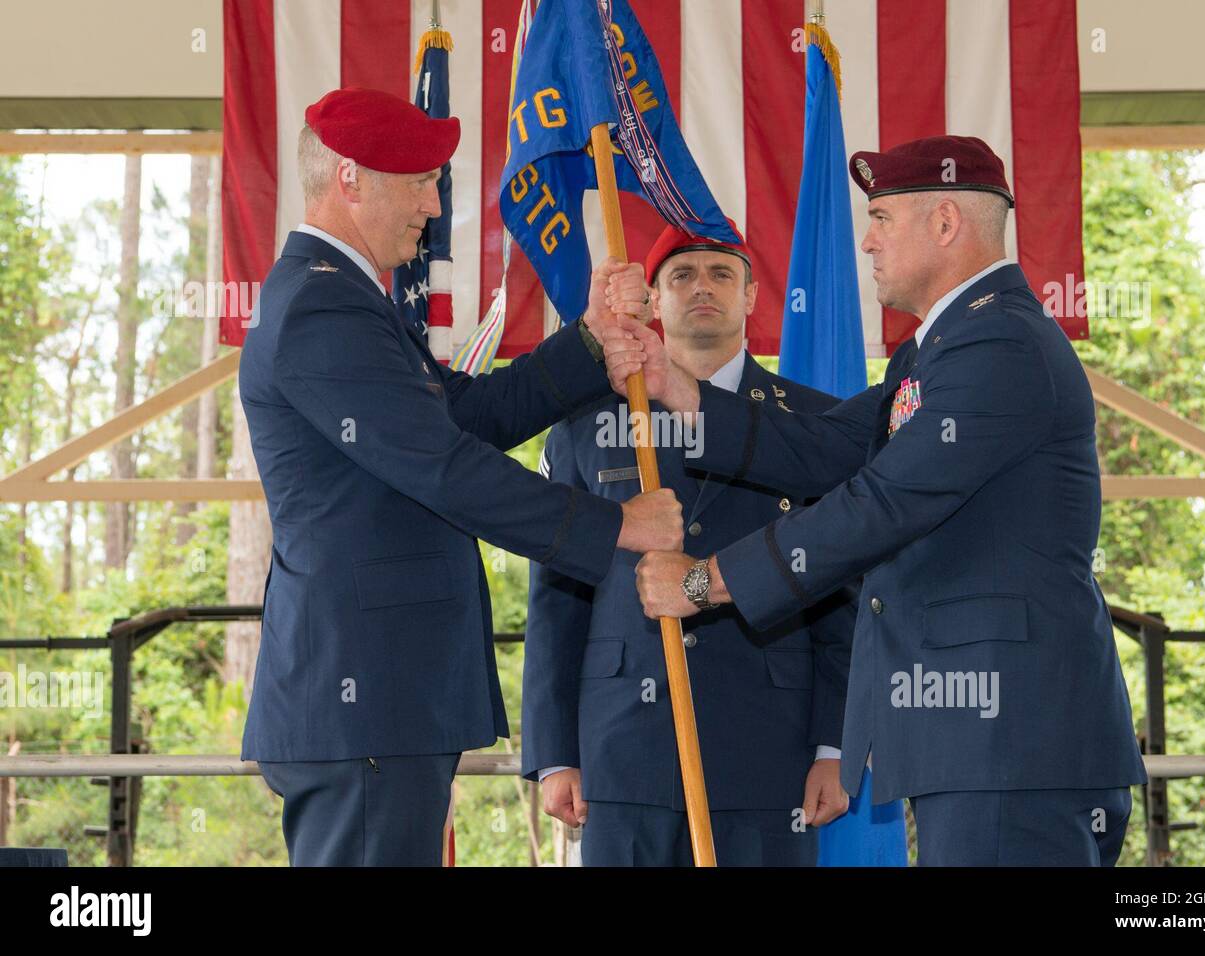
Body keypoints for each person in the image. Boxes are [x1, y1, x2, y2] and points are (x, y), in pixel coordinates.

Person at [631, 135, 1148, 866]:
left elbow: (879, 505)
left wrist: (701, 583)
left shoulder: (997, 345)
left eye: (881, 218)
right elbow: (824, 448)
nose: (867, 241)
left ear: (944, 224)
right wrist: (675, 389)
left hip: (1010, 747)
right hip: (981, 746)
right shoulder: (945, 346)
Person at [238, 86, 679, 866]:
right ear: (350, 179)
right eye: (415, 180)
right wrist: (617, 526)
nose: (432, 203)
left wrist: (588, 346)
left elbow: (458, 418)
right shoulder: (321, 308)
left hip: (380, 694)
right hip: (365, 691)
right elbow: (443, 467)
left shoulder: (344, 299)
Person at [522, 222, 854, 866]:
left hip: (766, 748)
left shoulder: (813, 423)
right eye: (682, 275)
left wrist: (832, 747)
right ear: (651, 298)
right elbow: (556, 599)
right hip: (622, 752)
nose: (703, 287)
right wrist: (555, 752)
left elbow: (839, 594)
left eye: (722, 274)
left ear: (753, 295)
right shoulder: (586, 428)